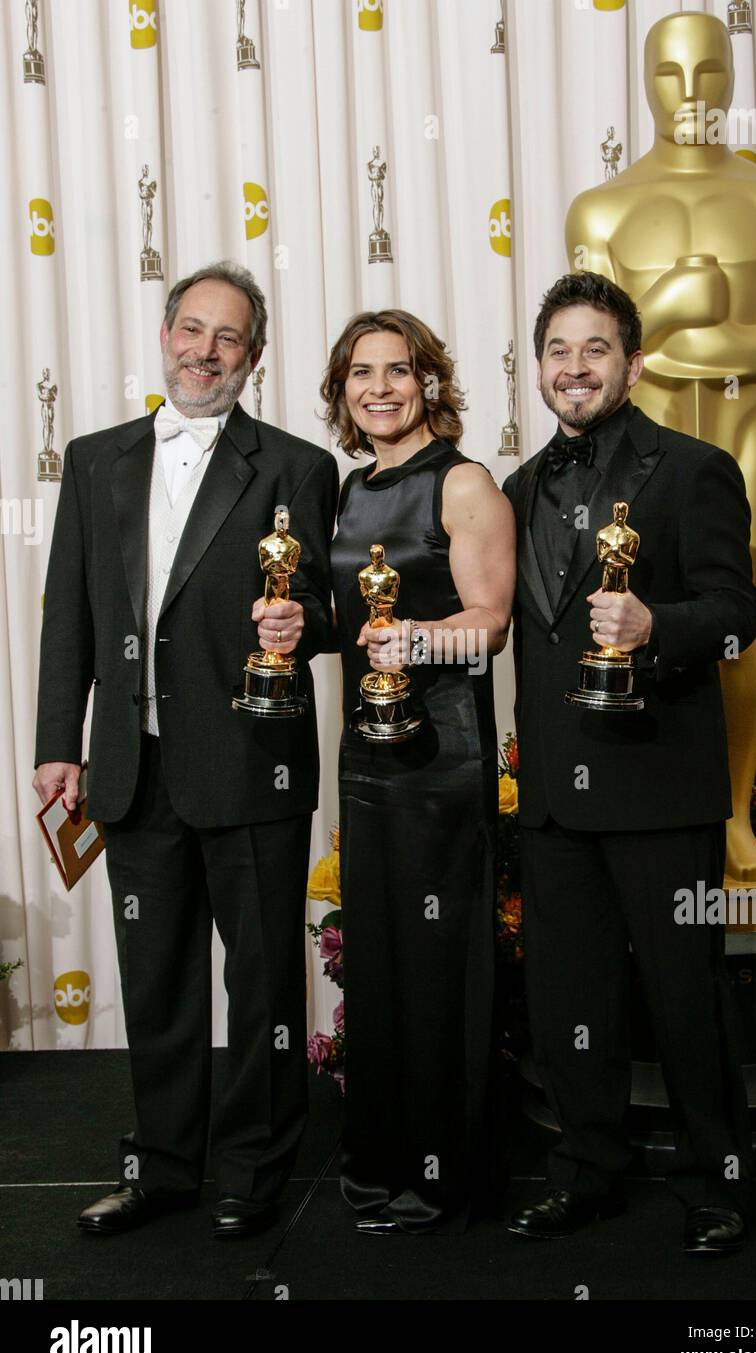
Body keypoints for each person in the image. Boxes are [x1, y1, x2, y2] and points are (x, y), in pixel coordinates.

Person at [33, 261, 338, 1239]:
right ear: (165, 333)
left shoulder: (296, 465)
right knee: (156, 982)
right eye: (192, 329)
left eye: (229, 337)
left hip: (251, 760)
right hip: (130, 762)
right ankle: (162, 1166)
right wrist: (56, 744)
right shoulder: (93, 460)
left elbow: (329, 606)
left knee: (259, 985)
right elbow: (69, 617)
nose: (206, 350)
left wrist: (303, 622)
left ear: (253, 355)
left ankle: (252, 1169)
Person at [503, 272, 756, 1255]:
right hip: (555, 805)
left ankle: (716, 1183)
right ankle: (586, 1172)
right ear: (537, 370)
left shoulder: (691, 467)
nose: (574, 367)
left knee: (683, 1000)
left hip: (657, 789)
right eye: (558, 351)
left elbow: (735, 615)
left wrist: (656, 626)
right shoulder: (515, 488)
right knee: (569, 1006)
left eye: (594, 348)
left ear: (631, 362)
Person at [259, 309, 515, 1232]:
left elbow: (490, 622)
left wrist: (414, 637)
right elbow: (343, 623)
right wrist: (300, 628)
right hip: (364, 753)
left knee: (439, 967)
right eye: (360, 374)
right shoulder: (348, 489)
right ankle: (382, 1163)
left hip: (443, 753)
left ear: (429, 382)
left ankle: (447, 1180)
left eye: (397, 371)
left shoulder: (466, 483)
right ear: (341, 393)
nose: (378, 388)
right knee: (379, 961)